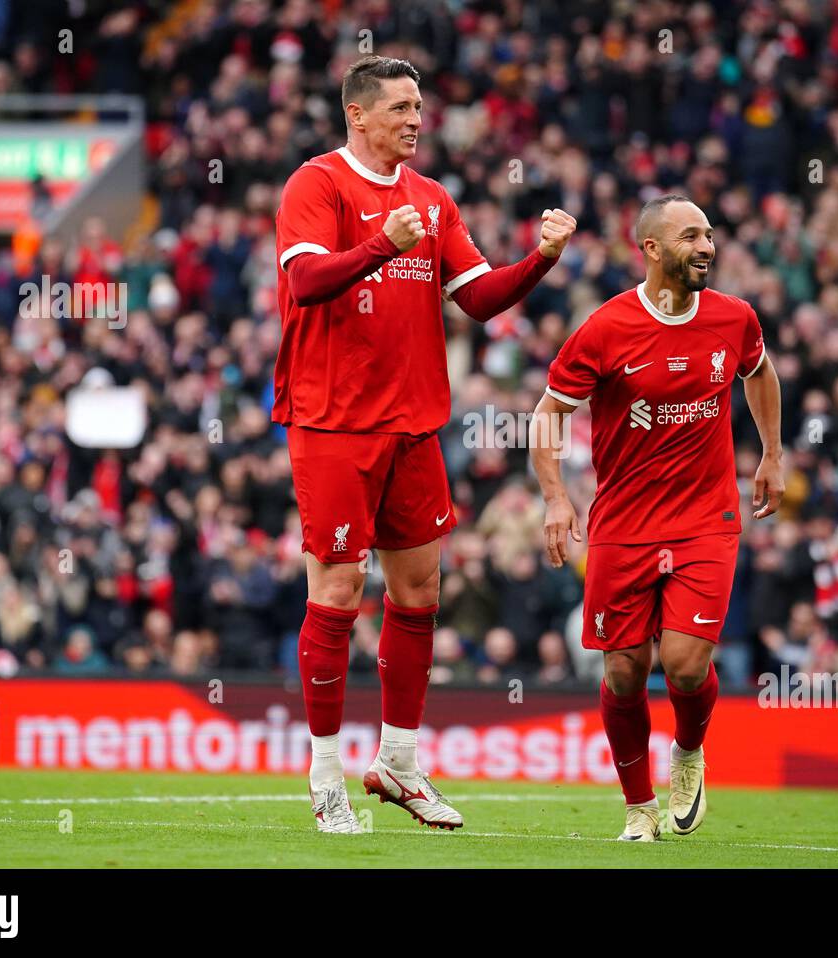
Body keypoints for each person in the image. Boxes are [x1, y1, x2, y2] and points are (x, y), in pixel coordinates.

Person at [274, 55, 576, 833]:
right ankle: (324, 775)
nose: (416, 119)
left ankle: (400, 763)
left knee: (421, 594)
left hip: (413, 425)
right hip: (334, 422)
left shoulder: (431, 199)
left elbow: (477, 299)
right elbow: (305, 284)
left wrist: (538, 260)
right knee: (337, 593)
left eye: (419, 107)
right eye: (402, 107)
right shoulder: (317, 184)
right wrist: (379, 243)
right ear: (359, 116)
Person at [530, 195, 783, 841]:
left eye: (709, 235)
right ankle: (638, 808)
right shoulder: (606, 327)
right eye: (691, 236)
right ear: (650, 248)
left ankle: (689, 753)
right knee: (622, 669)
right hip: (622, 522)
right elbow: (548, 412)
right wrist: (557, 496)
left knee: (684, 663)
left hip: (706, 516)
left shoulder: (735, 318)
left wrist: (772, 454)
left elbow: (760, 374)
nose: (706, 247)